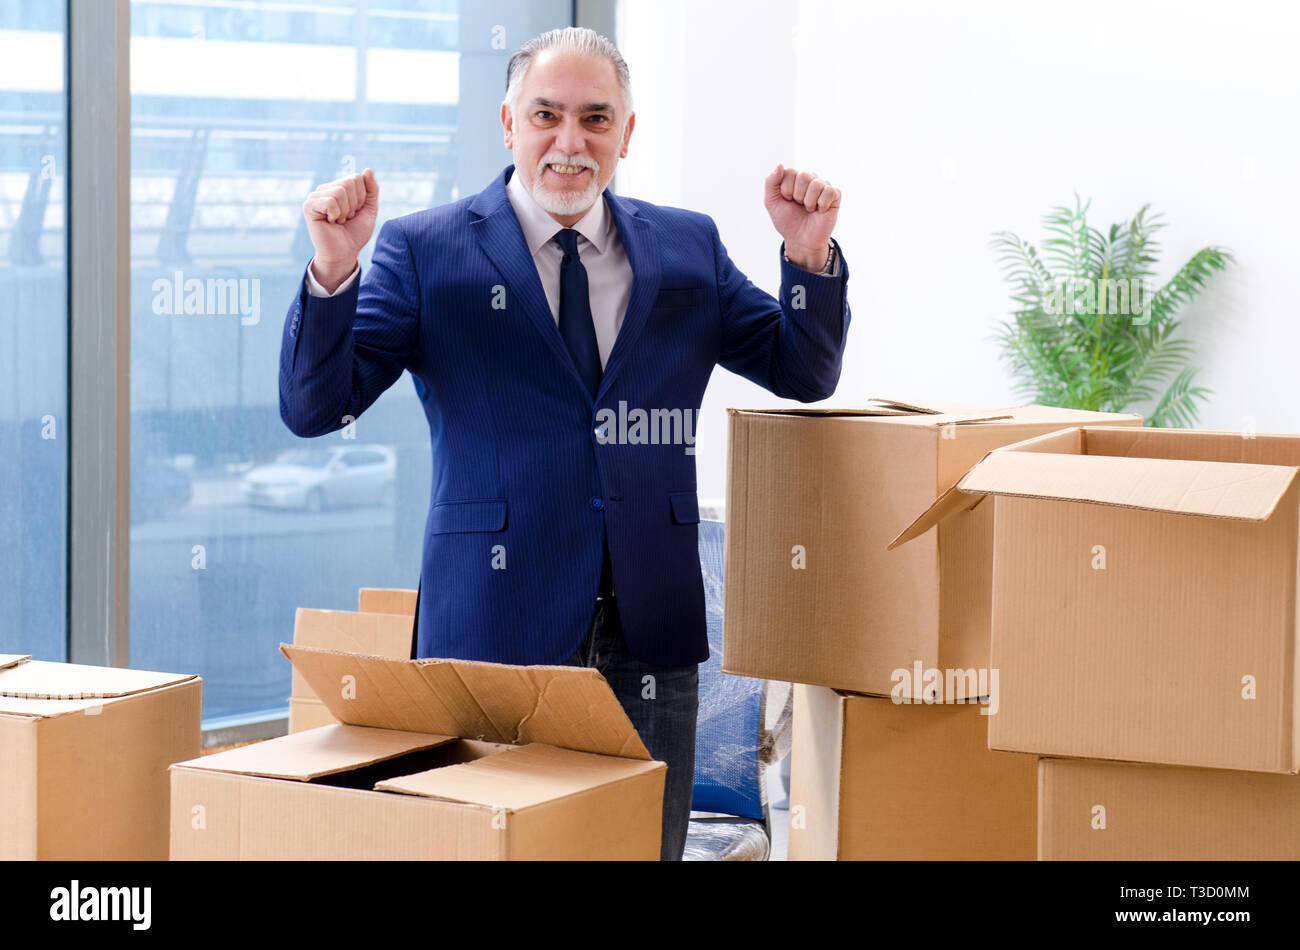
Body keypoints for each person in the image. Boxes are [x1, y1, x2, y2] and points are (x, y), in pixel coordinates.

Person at [279, 26, 850, 860]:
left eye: (595, 117)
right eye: (546, 115)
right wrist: (334, 270)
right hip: (491, 626)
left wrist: (807, 255)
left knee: (638, 848)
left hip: (648, 629)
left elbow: (803, 371)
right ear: (508, 125)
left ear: (627, 132)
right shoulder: (424, 248)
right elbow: (316, 406)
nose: (570, 142)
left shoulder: (687, 247)